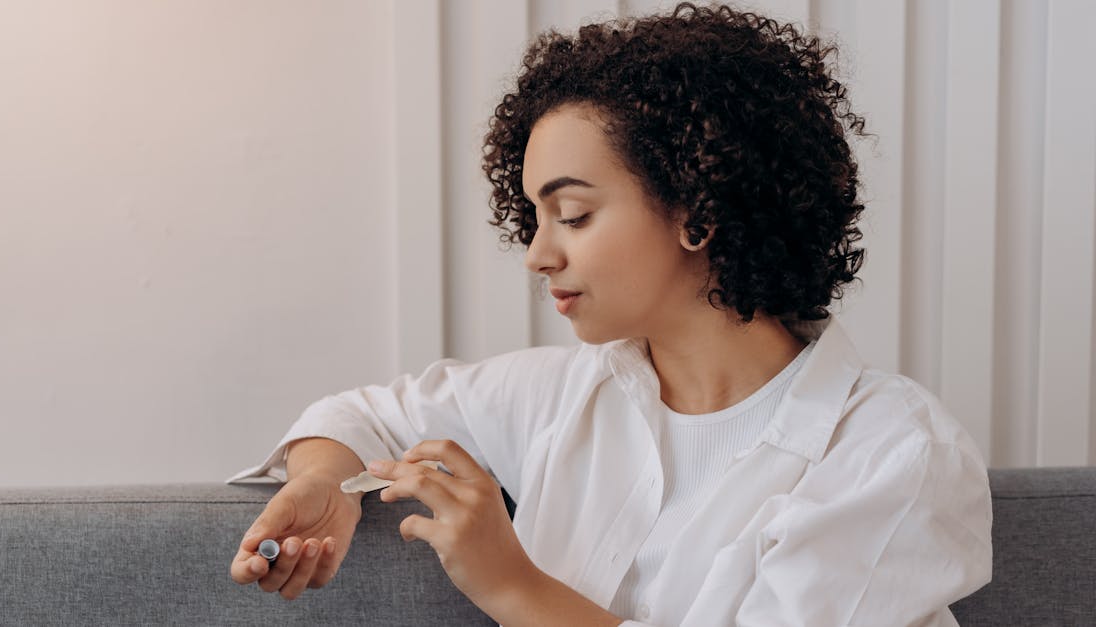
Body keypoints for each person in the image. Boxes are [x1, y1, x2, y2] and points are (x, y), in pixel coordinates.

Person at [227, 3, 993, 625]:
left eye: (573, 213)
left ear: (699, 211)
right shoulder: (559, 398)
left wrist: (512, 583)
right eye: (532, 215)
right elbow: (361, 413)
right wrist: (327, 482)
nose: (536, 253)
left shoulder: (891, 452)